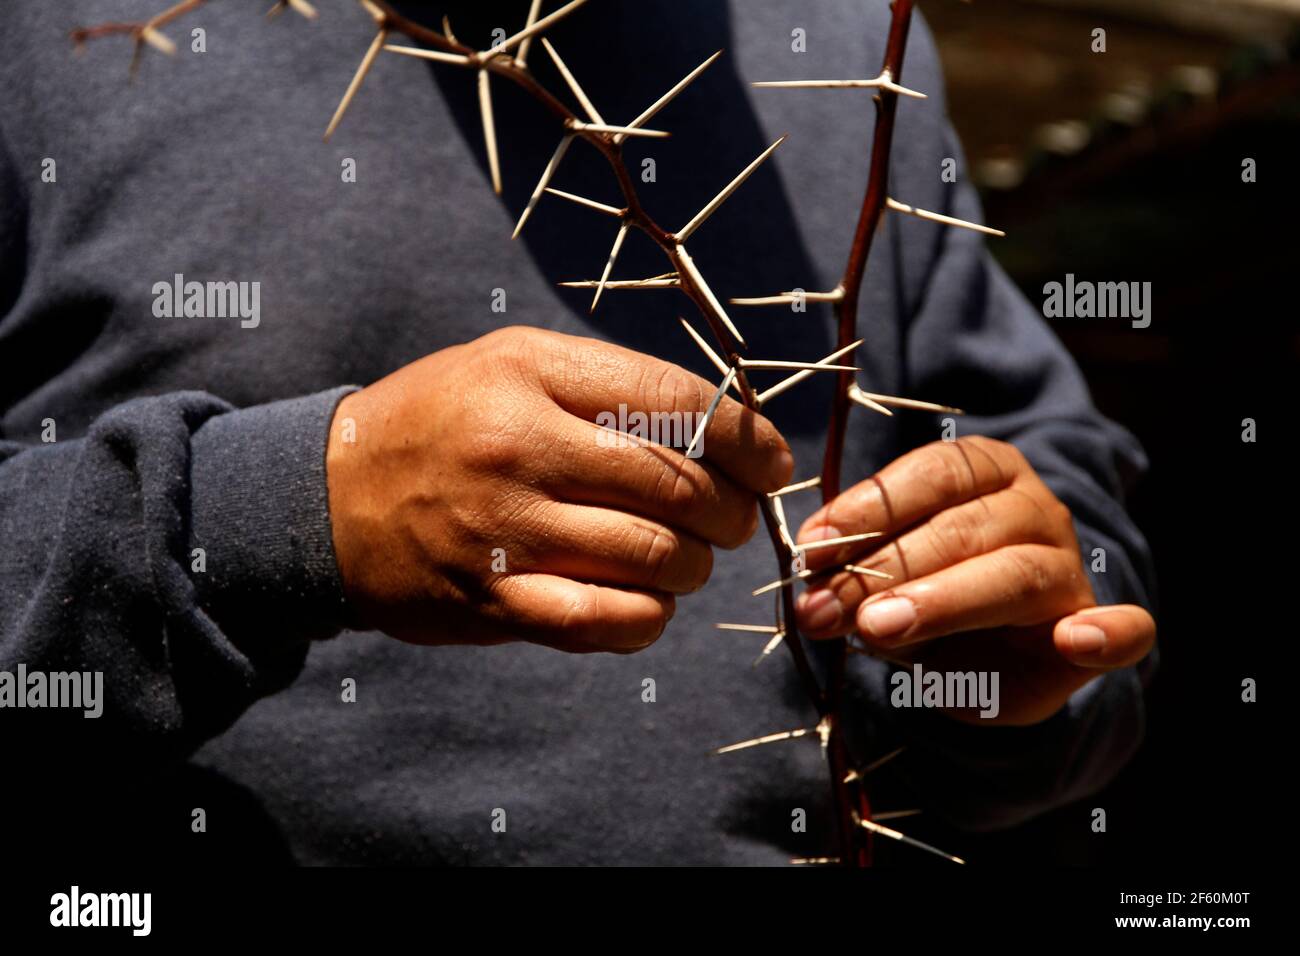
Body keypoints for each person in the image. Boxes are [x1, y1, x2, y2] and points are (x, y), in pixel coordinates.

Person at [0, 0, 1155, 864]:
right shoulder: (60, 39)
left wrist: (1007, 666)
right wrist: (284, 516)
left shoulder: (849, 38)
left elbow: (1063, 513)